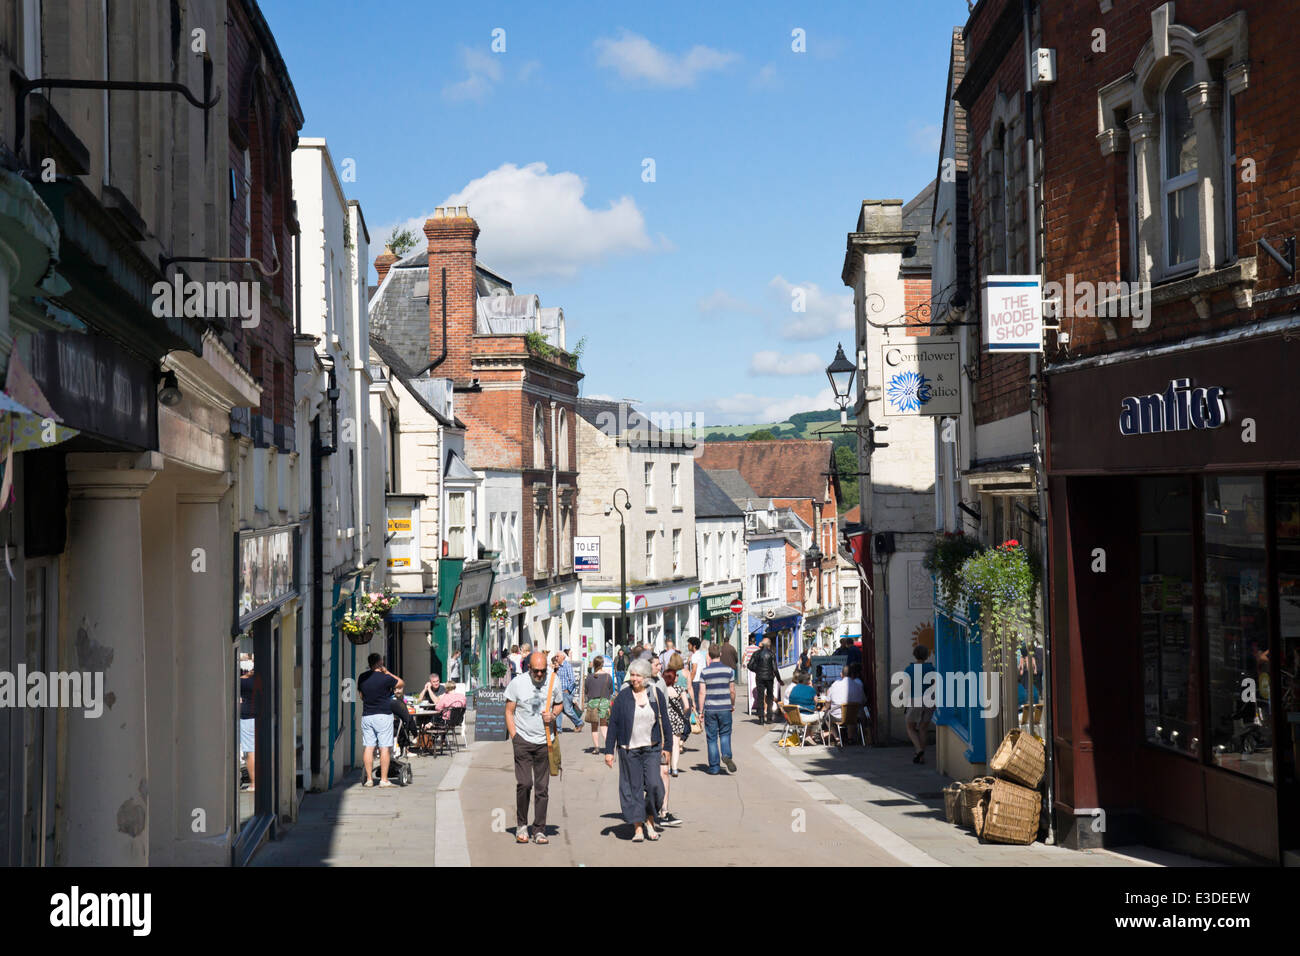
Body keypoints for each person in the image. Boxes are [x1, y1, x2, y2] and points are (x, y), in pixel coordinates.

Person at [605, 659, 672, 842]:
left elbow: (665, 721)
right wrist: (609, 750)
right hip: (629, 749)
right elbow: (614, 724)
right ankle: (638, 828)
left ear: (646, 677)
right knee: (633, 788)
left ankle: (650, 819)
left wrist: (668, 747)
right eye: (632, 675)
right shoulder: (623, 697)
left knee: (654, 785)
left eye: (637, 675)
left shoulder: (655, 694)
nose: (633, 678)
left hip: (651, 748)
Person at [505, 651, 564, 844]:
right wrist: (514, 736)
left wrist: (553, 716)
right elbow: (509, 710)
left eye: (542, 671)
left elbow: (559, 704)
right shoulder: (518, 683)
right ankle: (522, 825)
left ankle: (539, 829)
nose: (540, 675)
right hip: (522, 740)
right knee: (524, 784)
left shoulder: (554, 681)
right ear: (529, 668)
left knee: (542, 788)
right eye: (536, 671)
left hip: (544, 741)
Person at [358, 654, 404, 787]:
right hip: (383, 715)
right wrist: (387, 671)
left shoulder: (362, 677)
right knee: (384, 747)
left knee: (369, 747)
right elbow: (400, 683)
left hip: (367, 715)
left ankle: (369, 779)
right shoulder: (385, 678)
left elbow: (361, 695)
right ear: (379, 663)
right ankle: (384, 780)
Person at [699, 642, 737, 774]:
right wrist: (732, 704)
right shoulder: (729, 671)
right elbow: (732, 691)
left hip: (710, 708)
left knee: (712, 737)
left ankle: (714, 767)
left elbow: (702, 693)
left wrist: (700, 711)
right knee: (725, 734)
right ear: (720, 654)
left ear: (709, 655)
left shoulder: (704, 672)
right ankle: (726, 755)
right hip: (725, 707)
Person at [901, 646, 936, 762]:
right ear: (926, 655)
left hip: (914, 700)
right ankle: (921, 756)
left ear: (915, 655)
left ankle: (919, 749)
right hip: (929, 700)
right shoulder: (931, 668)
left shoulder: (909, 669)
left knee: (910, 727)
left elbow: (905, 687)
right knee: (923, 728)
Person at [828, 662, 870, 747]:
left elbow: (828, 700)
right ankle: (850, 738)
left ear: (841, 674)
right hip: (855, 716)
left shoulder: (835, 684)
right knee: (852, 715)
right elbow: (863, 700)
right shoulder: (858, 685)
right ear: (852, 674)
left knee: (827, 716)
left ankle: (837, 738)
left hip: (838, 716)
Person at [747, 637, 781, 725]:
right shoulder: (772, 654)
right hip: (769, 678)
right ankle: (769, 717)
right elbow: (775, 669)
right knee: (769, 697)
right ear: (769, 645)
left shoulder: (756, 653)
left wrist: (757, 670)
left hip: (760, 677)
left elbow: (749, 665)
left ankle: (761, 718)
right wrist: (779, 679)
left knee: (760, 697)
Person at [584, 656, 614, 753]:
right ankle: (608, 747)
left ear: (594, 664)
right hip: (604, 703)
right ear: (602, 664)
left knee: (594, 726)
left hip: (593, 703)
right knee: (604, 726)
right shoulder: (608, 677)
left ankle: (596, 747)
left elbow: (586, 691)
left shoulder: (589, 677)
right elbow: (611, 691)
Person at [555, 650, 584, 732]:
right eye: (556, 656)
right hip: (558, 692)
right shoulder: (557, 667)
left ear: (563, 657)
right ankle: (558, 728)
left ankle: (579, 723)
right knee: (558, 710)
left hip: (565, 692)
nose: (556, 658)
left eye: (558, 656)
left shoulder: (567, 665)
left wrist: (568, 690)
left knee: (568, 710)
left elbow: (572, 680)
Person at [239, 655, 256, 792]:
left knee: (250, 751)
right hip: (264, 717)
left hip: (247, 716)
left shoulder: (244, 682)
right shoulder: (269, 678)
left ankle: (254, 784)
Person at [687, 636, 707, 707]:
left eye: (689, 645)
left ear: (694, 646)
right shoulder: (701, 655)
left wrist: (689, 682)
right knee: (701, 701)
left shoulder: (695, 656)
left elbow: (694, 670)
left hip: (695, 681)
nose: (688, 646)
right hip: (702, 680)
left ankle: (697, 716)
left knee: (695, 701)